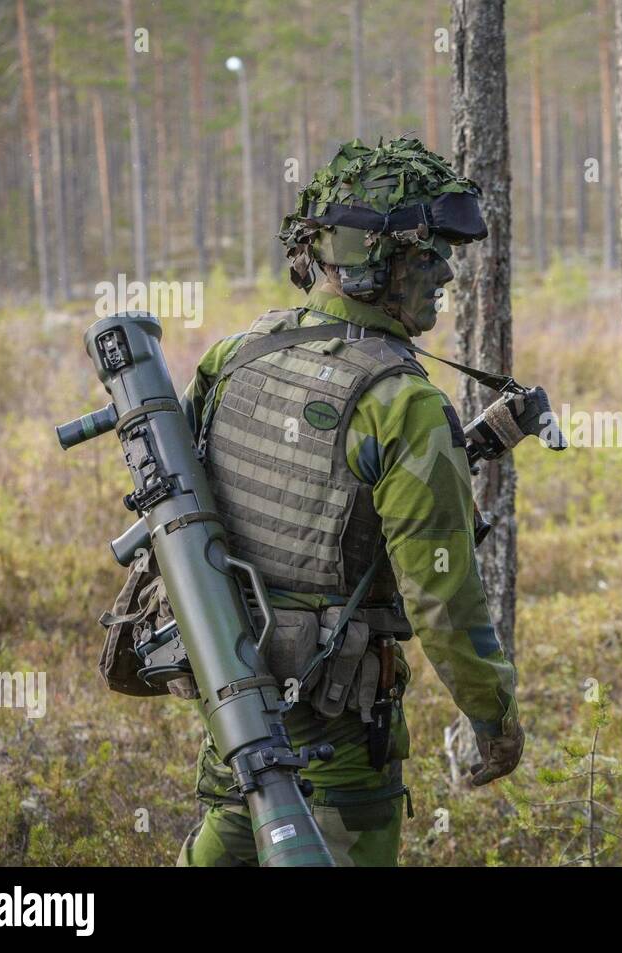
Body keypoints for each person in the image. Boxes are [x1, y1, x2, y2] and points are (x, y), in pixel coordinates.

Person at [177, 138, 523, 866]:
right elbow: (444, 597)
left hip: (232, 720)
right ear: (376, 263)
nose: (447, 275)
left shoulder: (232, 358)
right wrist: (493, 717)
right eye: (428, 257)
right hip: (334, 754)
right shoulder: (402, 404)